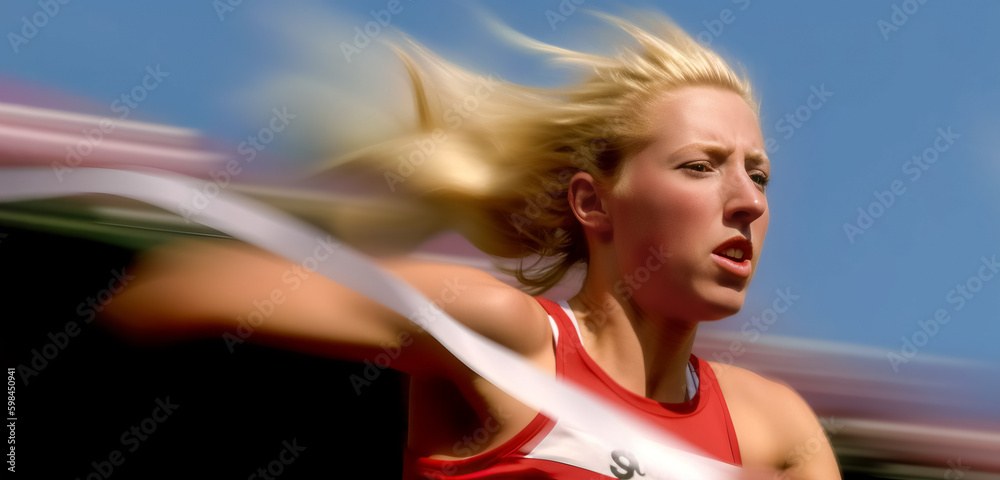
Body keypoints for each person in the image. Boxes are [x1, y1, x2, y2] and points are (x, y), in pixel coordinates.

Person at [104, 10, 841, 479]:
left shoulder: (776, 431)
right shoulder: (506, 338)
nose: (747, 201)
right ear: (593, 202)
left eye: (760, 174)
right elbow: (177, 285)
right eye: (699, 167)